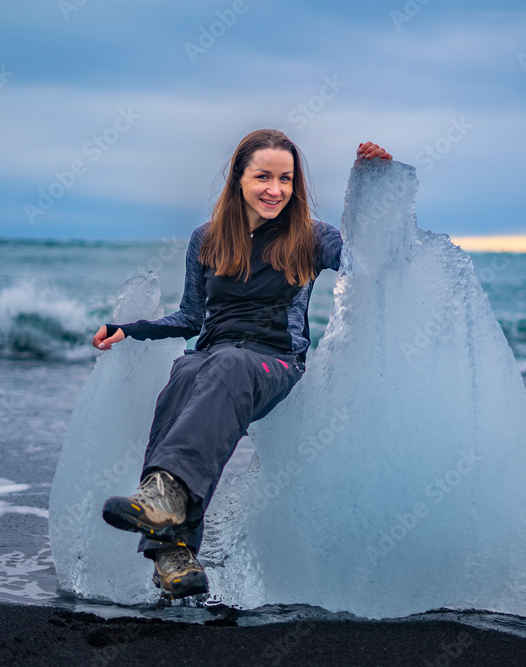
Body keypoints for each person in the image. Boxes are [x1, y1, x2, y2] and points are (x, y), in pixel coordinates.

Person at [91, 130, 392, 599]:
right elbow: (191, 317)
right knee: (185, 373)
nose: (276, 189)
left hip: (276, 361)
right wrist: (132, 329)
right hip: (215, 355)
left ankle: (164, 499)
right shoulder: (207, 239)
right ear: (239, 178)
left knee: (225, 363)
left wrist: (375, 183)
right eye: (264, 176)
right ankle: (174, 553)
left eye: (286, 179)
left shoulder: (312, 236)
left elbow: (365, 261)